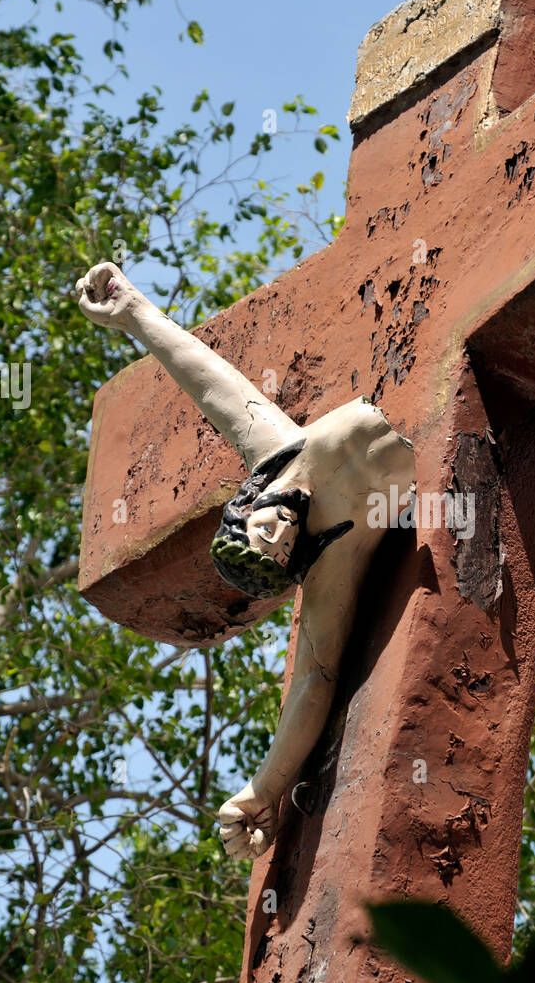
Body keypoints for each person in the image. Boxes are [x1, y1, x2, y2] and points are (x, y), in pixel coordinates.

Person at [77, 261, 415, 860]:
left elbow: (206, 380)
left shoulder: (275, 451)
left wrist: (132, 312)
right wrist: (266, 787)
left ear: (246, 507)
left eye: (264, 527)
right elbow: (314, 680)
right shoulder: (332, 560)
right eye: (283, 547)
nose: (283, 529)